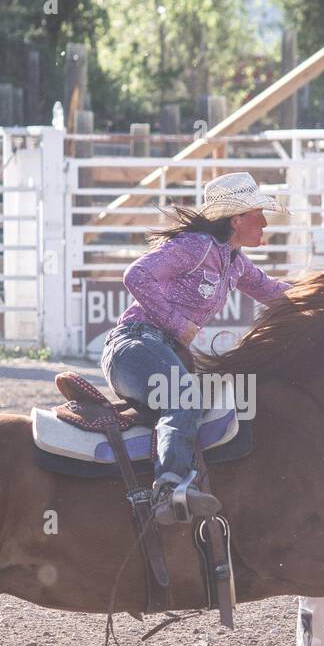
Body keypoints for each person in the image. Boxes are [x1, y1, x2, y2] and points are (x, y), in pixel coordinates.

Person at [101, 172, 290, 525]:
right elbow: (136, 275)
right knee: (185, 397)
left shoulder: (235, 263)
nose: (265, 222)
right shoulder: (195, 246)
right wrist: (179, 325)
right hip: (135, 344)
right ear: (237, 219)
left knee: (224, 400)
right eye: (257, 214)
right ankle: (168, 487)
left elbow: (276, 292)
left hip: (154, 350)